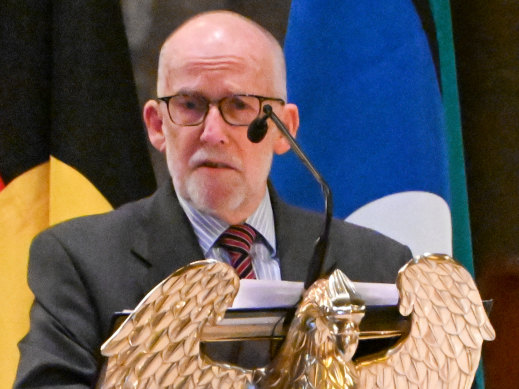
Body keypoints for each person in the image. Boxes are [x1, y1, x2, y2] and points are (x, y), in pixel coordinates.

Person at [14, 11, 411, 387]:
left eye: (239, 105)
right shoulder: (81, 261)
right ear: (156, 125)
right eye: (190, 105)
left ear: (283, 130)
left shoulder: (377, 266)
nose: (213, 133)